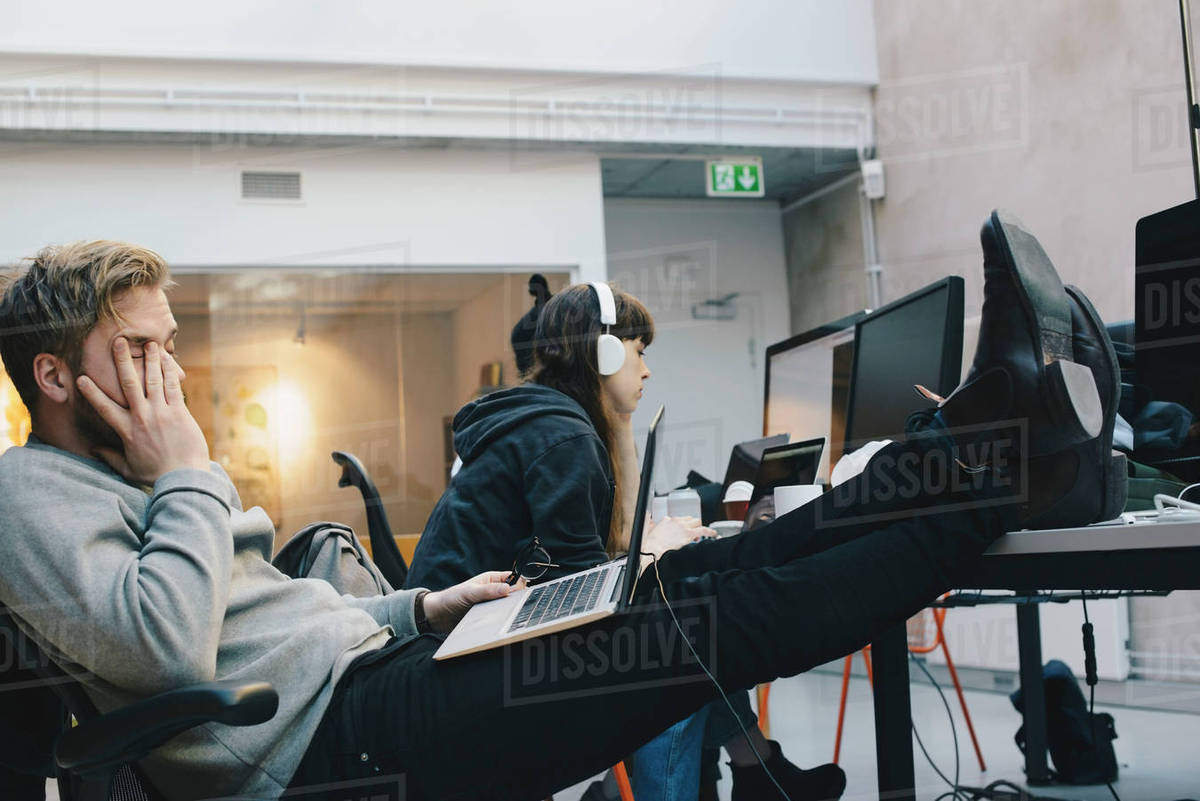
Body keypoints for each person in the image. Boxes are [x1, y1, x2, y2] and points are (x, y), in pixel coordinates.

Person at [0, 212, 1110, 801]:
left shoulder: (136, 477)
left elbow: (274, 619)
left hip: (373, 674)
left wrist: (422, 611)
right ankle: (1002, 471)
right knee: (700, 629)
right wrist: (190, 466)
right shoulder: (29, 492)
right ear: (54, 376)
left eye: (169, 351)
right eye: (138, 352)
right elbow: (156, 646)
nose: (168, 380)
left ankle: (972, 436)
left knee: (693, 575)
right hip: (331, 749)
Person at [406, 281, 845, 801]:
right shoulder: (563, 437)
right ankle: (748, 775)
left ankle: (755, 775)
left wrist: (620, 425)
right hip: (468, 682)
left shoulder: (551, 424)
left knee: (684, 623)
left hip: (467, 656)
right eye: (639, 353)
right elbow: (585, 593)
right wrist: (657, 548)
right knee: (681, 640)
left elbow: (601, 551)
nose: (646, 369)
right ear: (605, 351)